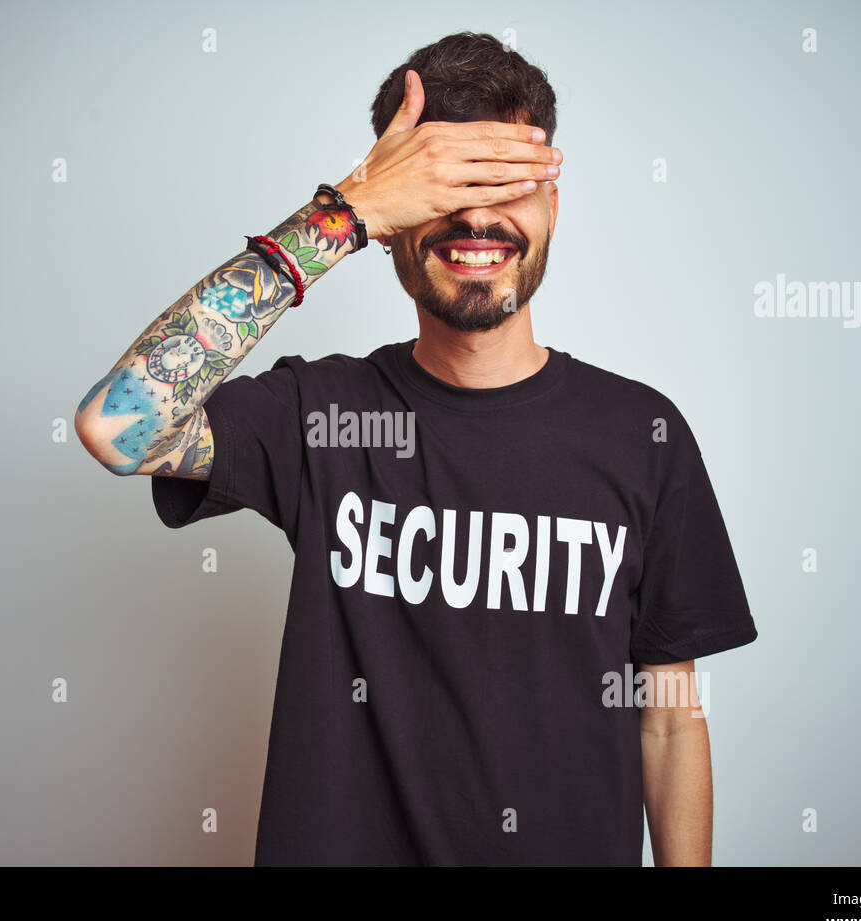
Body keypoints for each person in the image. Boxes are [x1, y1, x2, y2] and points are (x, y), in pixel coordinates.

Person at [75, 32, 758, 866]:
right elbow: (117, 425)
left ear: (554, 203)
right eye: (441, 187)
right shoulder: (320, 414)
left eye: (506, 183)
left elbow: (671, 716)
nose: (477, 217)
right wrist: (339, 215)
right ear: (391, 220)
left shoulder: (644, 435)